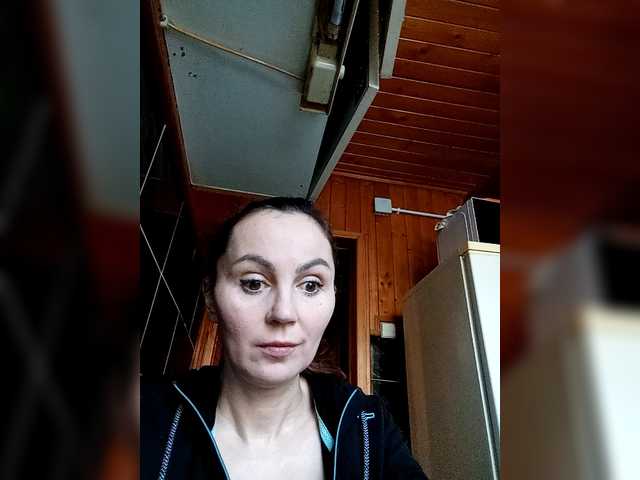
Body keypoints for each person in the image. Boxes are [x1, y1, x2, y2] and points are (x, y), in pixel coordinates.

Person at [141, 197, 428, 479]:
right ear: (210, 297)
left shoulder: (369, 424)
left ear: (333, 296)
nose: (284, 313)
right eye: (253, 283)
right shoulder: (144, 414)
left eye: (311, 285)